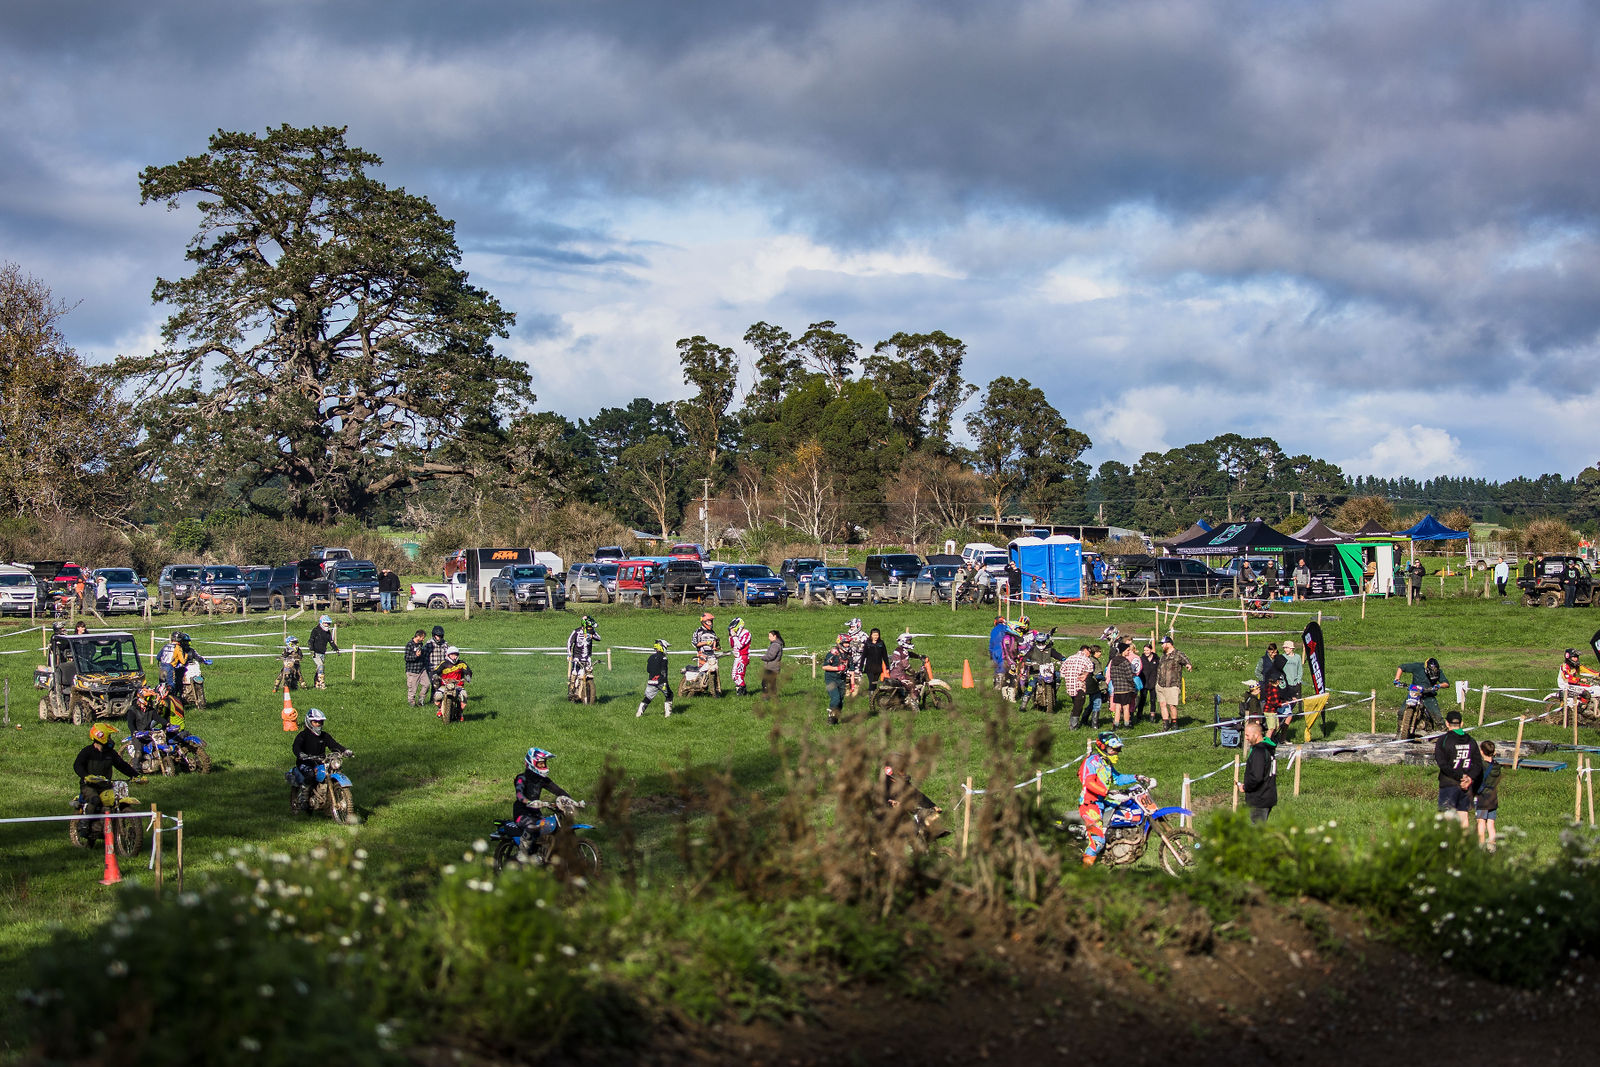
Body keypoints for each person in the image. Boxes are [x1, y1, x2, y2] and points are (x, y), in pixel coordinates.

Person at [1077, 731, 1139, 867]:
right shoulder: (1092, 762)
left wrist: (1137, 777)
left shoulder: (1106, 763)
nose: (1116, 752)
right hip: (1090, 804)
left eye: (1118, 749)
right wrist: (1107, 792)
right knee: (1098, 841)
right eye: (1114, 749)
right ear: (1104, 748)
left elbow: (1118, 778)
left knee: (1127, 805)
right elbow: (1089, 783)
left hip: (1102, 802)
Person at [512, 747, 576, 857]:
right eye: (540, 764)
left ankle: (544, 854)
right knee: (531, 827)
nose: (543, 766)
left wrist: (571, 801)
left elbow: (558, 790)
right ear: (531, 763)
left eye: (544, 763)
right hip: (521, 813)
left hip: (536, 813)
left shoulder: (542, 780)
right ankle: (522, 854)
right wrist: (528, 802)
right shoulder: (521, 778)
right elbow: (519, 794)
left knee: (550, 828)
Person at [73, 723, 142, 822]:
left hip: (106, 785)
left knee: (115, 801)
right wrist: (86, 776)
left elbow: (122, 765)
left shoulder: (110, 753)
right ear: (101, 737)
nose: (110, 739)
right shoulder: (87, 752)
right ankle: (85, 823)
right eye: (109, 736)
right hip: (88, 786)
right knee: (95, 800)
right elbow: (77, 765)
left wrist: (136, 776)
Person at [290, 708, 350, 811]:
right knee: (310, 775)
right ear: (309, 722)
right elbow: (296, 747)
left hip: (320, 762)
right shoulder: (303, 735)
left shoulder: (324, 736)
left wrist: (345, 751)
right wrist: (301, 754)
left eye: (320, 722)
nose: (318, 724)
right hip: (306, 763)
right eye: (315, 722)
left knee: (333, 771)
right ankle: (304, 799)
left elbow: (334, 745)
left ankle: (329, 798)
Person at [1433, 710, 1482, 829]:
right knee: (1463, 816)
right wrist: (1469, 778)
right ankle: (1464, 845)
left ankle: (1449, 845)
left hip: (1449, 783)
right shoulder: (1471, 741)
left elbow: (1443, 764)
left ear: (1447, 723)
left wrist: (1459, 777)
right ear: (1462, 723)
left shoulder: (1443, 741)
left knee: (1447, 818)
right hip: (1466, 786)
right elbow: (1478, 764)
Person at [1237, 719, 1278, 823]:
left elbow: (1257, 777)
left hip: (1259, 798)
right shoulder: (1268, 748)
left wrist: (1245, 787)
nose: (1246, 738)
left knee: (1257, 832)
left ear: (1256, 734)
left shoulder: (1258, 752)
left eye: (1247, 735)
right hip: (1268, 794)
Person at [1395, 658, 1449, 729]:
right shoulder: (1417, 667)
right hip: (1414, 693)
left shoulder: (1439, 672)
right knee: (1401, 712)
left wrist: (1439, 685)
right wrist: (1397, 679)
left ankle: (1445, 733)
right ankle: (1400, 732)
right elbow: (1401, 667)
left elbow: (1446, 684)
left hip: (1428, 695)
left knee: (1437, 717)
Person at [1154, 636, 1192, 728]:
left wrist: (1188, 665)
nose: (1162, 646)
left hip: (1172, 684)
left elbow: (1186, 660)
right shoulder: (1163, 656)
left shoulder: (1178, 654)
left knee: (1172, 705)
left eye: (1163, 644)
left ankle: (1174, 723)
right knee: (1162, 704)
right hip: (1161, 684)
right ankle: (1165, 724)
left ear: (1169, 643)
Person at [432, 645, 472, 722]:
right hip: (445, 685)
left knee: (464, 697)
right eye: (452, 655)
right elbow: (436, 670)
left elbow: (468, 670)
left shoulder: (461, 663)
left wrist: (468, 676)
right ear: (448, 655)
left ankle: (460, 712)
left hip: (458, 686)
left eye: (456, 655)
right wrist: (435, 675)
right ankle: (440, 708)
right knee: (437, 697)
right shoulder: (443, 664)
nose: (454, 657)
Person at [1474, 740, 1501, 852]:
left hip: (1483, 797)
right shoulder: (1497, 766)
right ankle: (1492, 845)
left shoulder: (1482, 766)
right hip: (1493, 797)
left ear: (1482, 751)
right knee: (1491, 823)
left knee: (1481, 822)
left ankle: (1481, 846)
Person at [1061, 645, 1096, 730]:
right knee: (1078, 705)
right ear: (1085, 650)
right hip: (1079, 685)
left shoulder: (1069, 658)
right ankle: (1073, 726)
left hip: (1070, 685)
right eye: (1089, 652)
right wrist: (1085, 674)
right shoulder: (1085, 659)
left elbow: (1062, 672)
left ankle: (1072, 723)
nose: (1090, 654)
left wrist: (1069, 676)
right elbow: (1091, 668)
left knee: (1076, 704)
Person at [638, 639, 674, 717]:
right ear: (662, 647)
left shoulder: (650, 657)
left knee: (648, 698)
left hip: (651, 681)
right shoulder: (664, 658)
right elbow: (664, 671)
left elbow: (648, 670)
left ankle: (639, 713)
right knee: (669, 695)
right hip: (661, 681)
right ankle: (668, 715)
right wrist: (665, 682)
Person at [1255, 642, 1286, 734]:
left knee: (1273, 708)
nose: (1274, 654)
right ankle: (1262, 728)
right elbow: (1257, 672)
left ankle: (1271, 731)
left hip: (1275, 686)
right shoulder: (1263, 660)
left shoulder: (1278, 660)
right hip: (1264, 686)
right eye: (1272, 652)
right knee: (1263, 706)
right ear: (1268, 651)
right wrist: (1265, 680)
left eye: (1275, 652)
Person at [1107, 640, 1138, 729]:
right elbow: (1129, 676)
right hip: (1126, 688)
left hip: (1117, 688)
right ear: (1123, 651)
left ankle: (1115, 725)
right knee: (1126, 707)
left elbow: (1112, 674)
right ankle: (1126, 724)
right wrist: (1132, 685)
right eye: (1128, 650)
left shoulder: (1113, 661)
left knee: (1117, 707)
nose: (1129, 652)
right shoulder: (1125, 662)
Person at [885, 634, 919, 706]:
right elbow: (906, 665)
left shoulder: (900, 650)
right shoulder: (902, 652)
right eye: (908, 641)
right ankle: (913, 704)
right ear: (904, 641)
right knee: (912, 685)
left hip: (895, 672)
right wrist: (913, 672)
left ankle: (905, 697)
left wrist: (919, 656)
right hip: (898, 674)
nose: (909, 642)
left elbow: (909, 654)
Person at [567, 615, 598, 690]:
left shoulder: (592, 632)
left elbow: (599, 638)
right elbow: (569, 642)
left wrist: (591, 636)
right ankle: (572, 688)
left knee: (588, 672)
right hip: (577, 657)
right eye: (589, 627)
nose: (590, 629)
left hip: (587, 657)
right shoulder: (576, 632)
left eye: (591, 628)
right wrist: (569, 654)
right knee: (574, 672)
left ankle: (587, 691)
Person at [308, 614, 339, 690]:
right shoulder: (315, 630)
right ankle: (322, 684)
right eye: (325, 623)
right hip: (315, 652)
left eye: (328, 623)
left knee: (319, 669)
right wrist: (311, 650)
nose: (327, 625)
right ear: (321, 622)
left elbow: (331, 641)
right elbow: (311, 640)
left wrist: (336, 649)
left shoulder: (328, 632)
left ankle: (316, 683)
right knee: (321, 666)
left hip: (322, 653)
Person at [822, 634, 848, 725]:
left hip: (842, 680)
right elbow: (825, 667)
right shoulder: (832, 653)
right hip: (831, 679)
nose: (847, 645)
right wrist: (837, 668)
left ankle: (835, 719)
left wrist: (853, 684)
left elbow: (851, 669)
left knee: (840, 701)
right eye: (845, 643)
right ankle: (830, 716)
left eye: (848, 643)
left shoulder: (848, 654)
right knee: (836, 698)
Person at [1280, 639, 1304, 732]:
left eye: (1287, 648)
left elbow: (1300, 669)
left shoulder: (1297, 657)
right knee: (1286, 702)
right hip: (1286, 684)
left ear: (1291, 648)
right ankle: (1284, 718)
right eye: (1284, 648)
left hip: (1294, 683)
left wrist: (1298, 680)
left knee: (1294, 702)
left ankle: (1287, 717)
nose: (1285, 649)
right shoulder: (1282, 657)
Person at [727, 617, 753, 695]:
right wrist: (731, 636)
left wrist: (735, 636)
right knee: (734, 676)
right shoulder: (736, 635)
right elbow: (732, 645)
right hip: (737, 657)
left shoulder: (746, 633)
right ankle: (741, 690)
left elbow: (740, 645)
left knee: (738, 676)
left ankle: (742, 692)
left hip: (743, 656)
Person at [403, 630, 428, 706]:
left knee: (427, 684)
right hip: (412, 670)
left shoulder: (420, 644)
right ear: (418, 636)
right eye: (423, 638)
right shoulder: (409, 645)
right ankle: (412, 703)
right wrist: (415, 656)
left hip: (422, 669)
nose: (423, 639)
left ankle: (421, 698)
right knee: (412, 689)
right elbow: (406, 658)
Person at [425, 625, 449, 703]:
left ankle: (441, 700)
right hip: (432, 668)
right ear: (433, 635)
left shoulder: (445, 643)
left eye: (440, 636)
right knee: (435, 684)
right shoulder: (429, 643)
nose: (438, 637)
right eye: (437, 636)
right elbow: (425, 656)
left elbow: (447, 655)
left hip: (442, 668)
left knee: (442, 685)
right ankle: (433, 700)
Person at [1136, 642, 1158, 721]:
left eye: (1147, 650)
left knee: (1153, 700)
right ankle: (1139, 714)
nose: (1146, 652)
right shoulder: (1141, 659)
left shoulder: (1156, 659)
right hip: (1144, 682)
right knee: (1142, 699)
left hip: (1153, 682)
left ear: (1151, 650)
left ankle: (1152, 716)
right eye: (1144, 650)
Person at [863, 628, 889, 695]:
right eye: (874, 635)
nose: (876, 637)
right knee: (871, 682)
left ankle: (874, 697)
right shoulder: (867, 643)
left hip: (878, 667)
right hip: (869, 667)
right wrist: (860, 667)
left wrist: (887, 667)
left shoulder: (881, 643)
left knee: (875, 683)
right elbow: (863, 656)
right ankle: (871, 697)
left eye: (877, 635)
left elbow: (885, 656)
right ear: (871, 635)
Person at [844, 618, 866, 697]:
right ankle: (846, 692)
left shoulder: (863, 635)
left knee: (857, 675)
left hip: (859, 658)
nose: (850, 628)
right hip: (849, 657)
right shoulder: (848, 635)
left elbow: (866, 648)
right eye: (850, 627)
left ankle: (854, 694)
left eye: (852, 626)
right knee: (847, 675)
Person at [761, 630, 784, 699]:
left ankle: (766, 696)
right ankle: (773, 696)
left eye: (770, 636)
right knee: (771, 683)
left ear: (775, 636)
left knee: (765, 682)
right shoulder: (775, 644)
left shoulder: (775, 645)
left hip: (772, 667)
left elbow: (771, 656)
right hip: (773, 667)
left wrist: (762, 657)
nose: (769, 638)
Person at [987, 615, 1009, 685]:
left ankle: (996, 684)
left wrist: (990, 652)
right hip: (1005, 651)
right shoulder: (1007, 629)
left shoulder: (993, 630)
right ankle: (1003, 685)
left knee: (997, 669)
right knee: (1004, 669)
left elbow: (991, 643)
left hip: (995, 651)